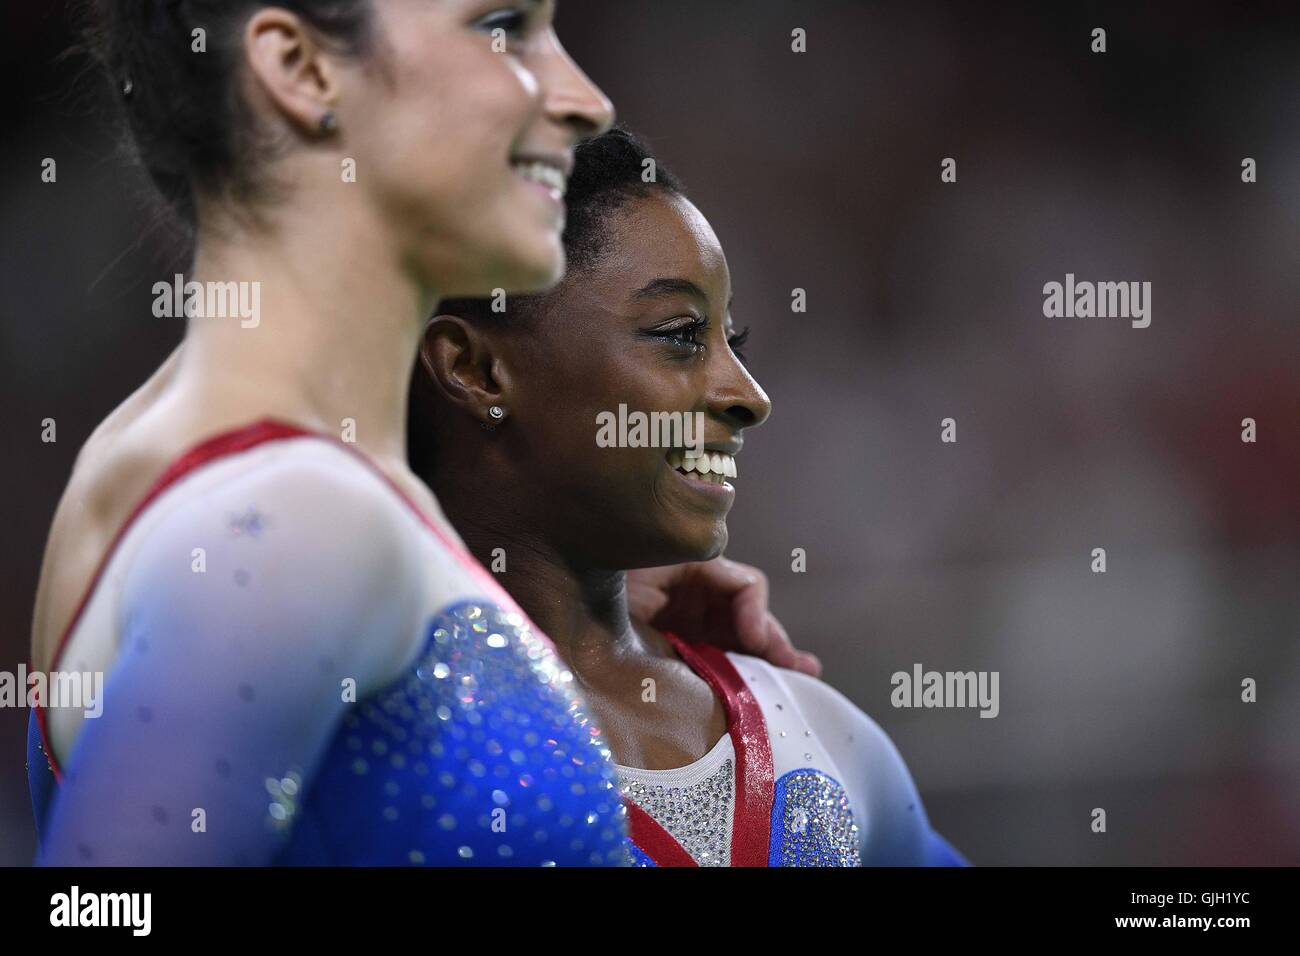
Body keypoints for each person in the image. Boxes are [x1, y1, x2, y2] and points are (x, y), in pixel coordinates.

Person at [29, 1, 805, 867]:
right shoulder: (291, 519)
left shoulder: (191, 465)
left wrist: (517, 608)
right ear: (302, 69)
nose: (585, 100)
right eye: (506, 28)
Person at [411, 127, 970, 865]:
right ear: (477, 369)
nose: (750, 395)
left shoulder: (821, 736)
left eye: (734, 339)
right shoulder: (355, 735)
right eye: (681, 334)